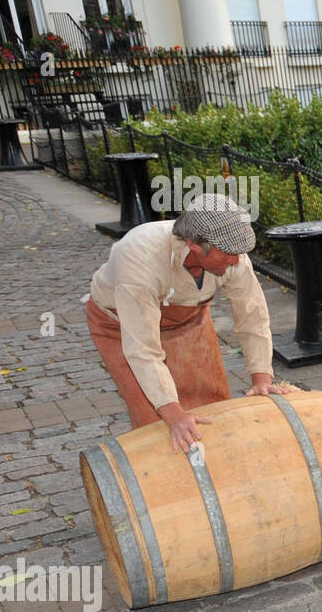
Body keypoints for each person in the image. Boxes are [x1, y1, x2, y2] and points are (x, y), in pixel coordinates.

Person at [87, 193, 286, 453]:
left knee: (211, 406)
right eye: (228, 254)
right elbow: (143, 349)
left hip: (189, 319)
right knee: (156, 423)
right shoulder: (140, 258)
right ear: (194, 244)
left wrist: (261, 377)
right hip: (118, 322)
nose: (236, 261)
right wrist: (172, 414)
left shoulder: (231, 253)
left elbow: (252, 313)